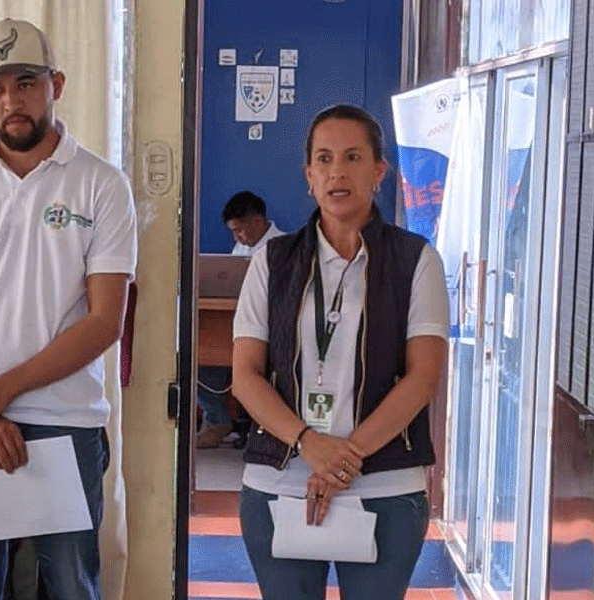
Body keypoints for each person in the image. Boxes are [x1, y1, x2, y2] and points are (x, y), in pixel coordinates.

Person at [0, 18, 137, 600]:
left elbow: (104, 321)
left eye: (27, 83)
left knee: (71, 590)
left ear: (56, 83)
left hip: (67, 424)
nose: (12, 101)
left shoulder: (101, 185)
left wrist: (0, 392)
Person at [231, 104, 449, 600]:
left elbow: (422, 378)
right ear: (309, 176)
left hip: (385, 486)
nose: (337, 172)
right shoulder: (273, 261)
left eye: (352, 157)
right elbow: (246, 375)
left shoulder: (416, 260)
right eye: (324, 159)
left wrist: (344, 459)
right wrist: (310, 444)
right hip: (281, 479)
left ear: (378, 172)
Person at [197, 191, 284, 449]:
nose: (237, 238)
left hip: (267, 327)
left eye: (240, 230)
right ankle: (216, 420)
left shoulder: (283, 246)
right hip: (233, 320)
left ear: (257, 221)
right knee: (202, 358)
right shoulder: (241, 248)